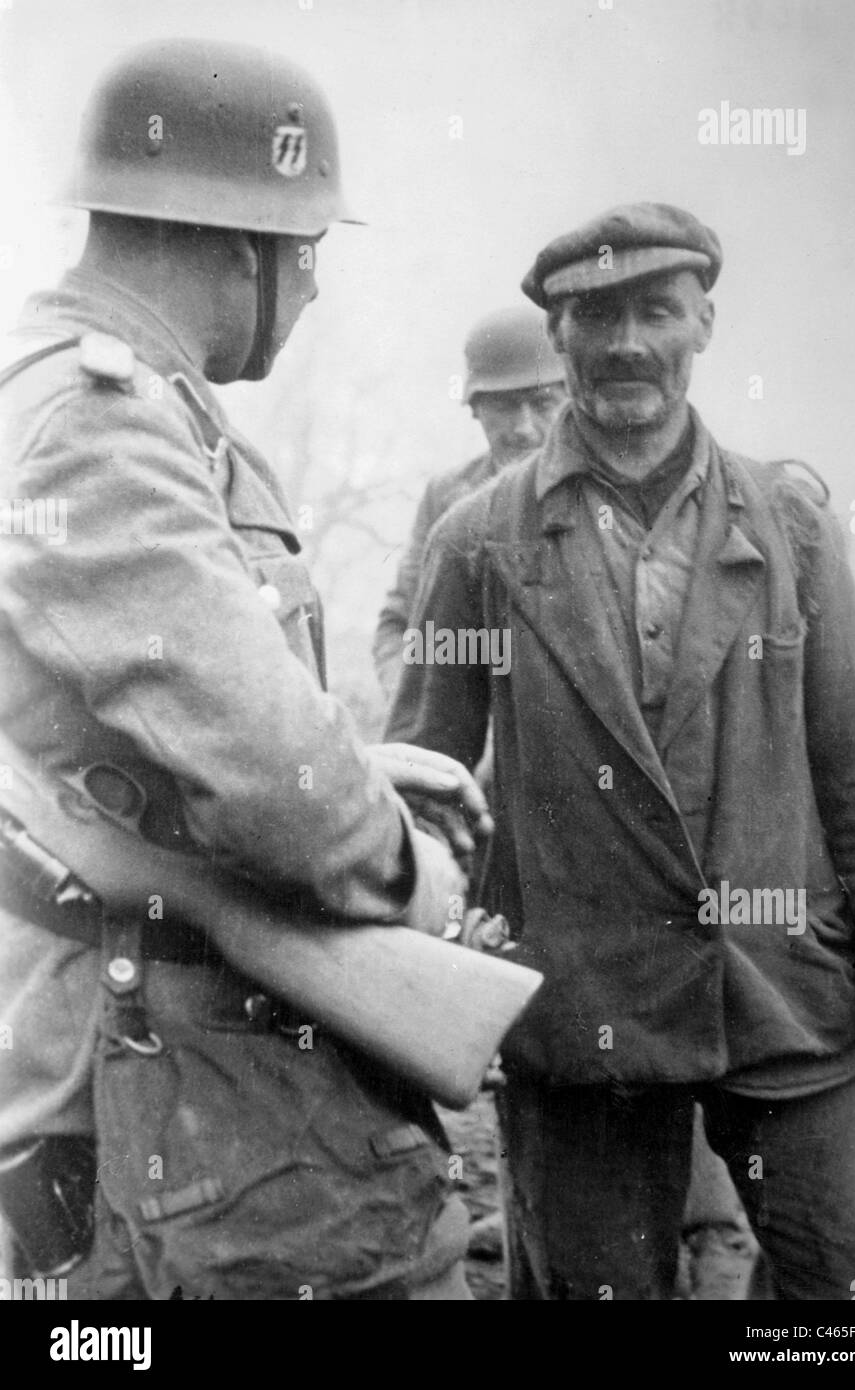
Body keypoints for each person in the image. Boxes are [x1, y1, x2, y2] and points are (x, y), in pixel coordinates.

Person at [0, 38, 491, 1301]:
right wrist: (408, 868)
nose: (314, 287)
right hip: (180, 1089)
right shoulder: (99, 428)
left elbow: (121, 715)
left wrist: (350, 758)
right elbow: (278, 784)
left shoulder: (94, 405)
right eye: (306, 249)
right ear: (236, 243)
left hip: (163, 1063)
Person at [385, 201, 855, 1300]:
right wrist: (432, 987)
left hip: (783, 993)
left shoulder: (792, 528)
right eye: (595, 316)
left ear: (702, 325)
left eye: (655, 311)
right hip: (582, 1015)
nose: (627, 342)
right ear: (559, 338)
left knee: (835, 1286)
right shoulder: (476, 543)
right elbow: (421, 786)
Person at [373, 306, 565, 700]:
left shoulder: (598, 498)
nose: (524, 428)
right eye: (504, 406)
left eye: (542, 404)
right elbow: (400, 625)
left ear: (570, 403)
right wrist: (412, 704)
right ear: (476, 409)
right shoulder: (447, 497)